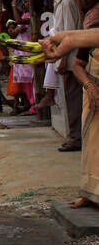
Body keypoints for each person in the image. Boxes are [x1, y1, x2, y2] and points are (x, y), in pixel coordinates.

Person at [41, 28, 99, 208]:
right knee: (92, 147)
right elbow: (75, 39)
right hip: (94, 94)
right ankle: (90, 194)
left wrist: (56, 46)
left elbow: (73, 40)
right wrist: (54, 42)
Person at [50, 0, 83, 151]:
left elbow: (69, 35)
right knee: (68, 98)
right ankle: (73, 135)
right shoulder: (59, 2)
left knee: (73, 99)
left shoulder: (67, 3)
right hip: (64, 58)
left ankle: (76, 138)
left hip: (69, 60)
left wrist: (62, 59)